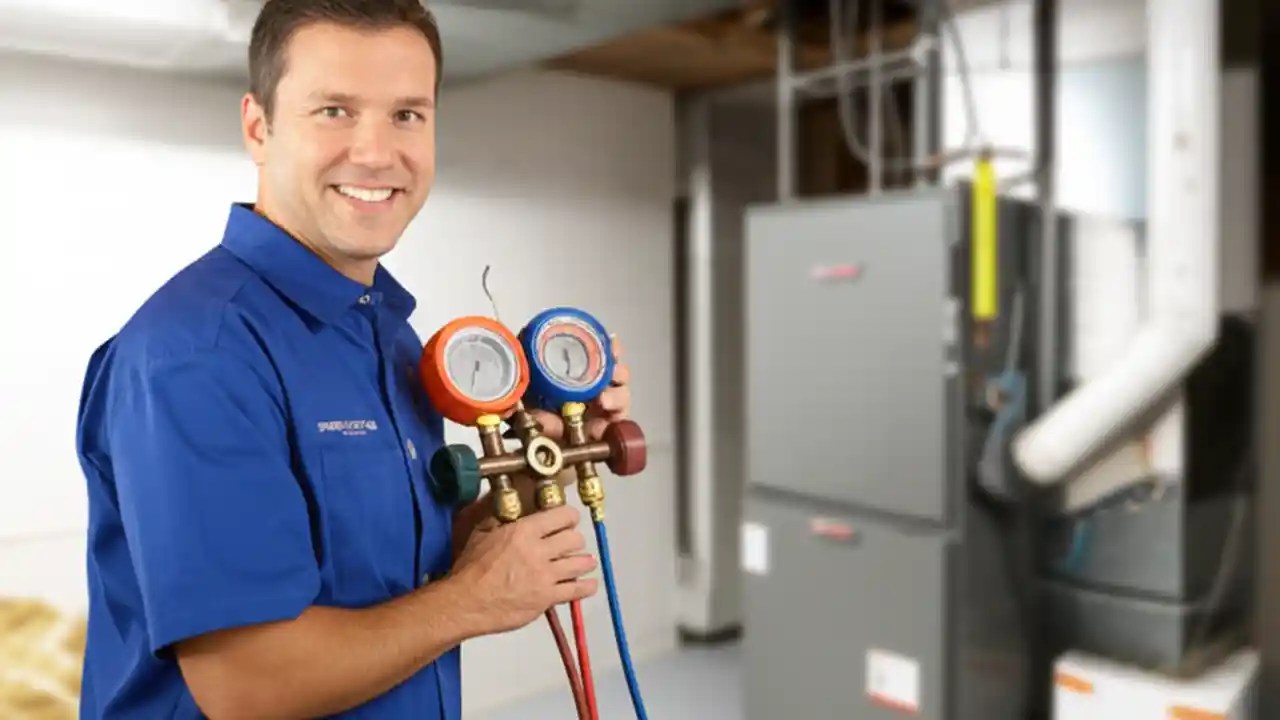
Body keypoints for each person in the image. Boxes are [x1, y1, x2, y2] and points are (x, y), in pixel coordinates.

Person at [73, 1, 632, 718]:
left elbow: (403, 568)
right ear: (258, 127)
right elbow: (248, 683)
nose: (375, 152)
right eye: (335, 110)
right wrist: (474, 602)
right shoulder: (197, 354)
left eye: (407, 115)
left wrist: (524, 477)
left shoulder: (386, 334)